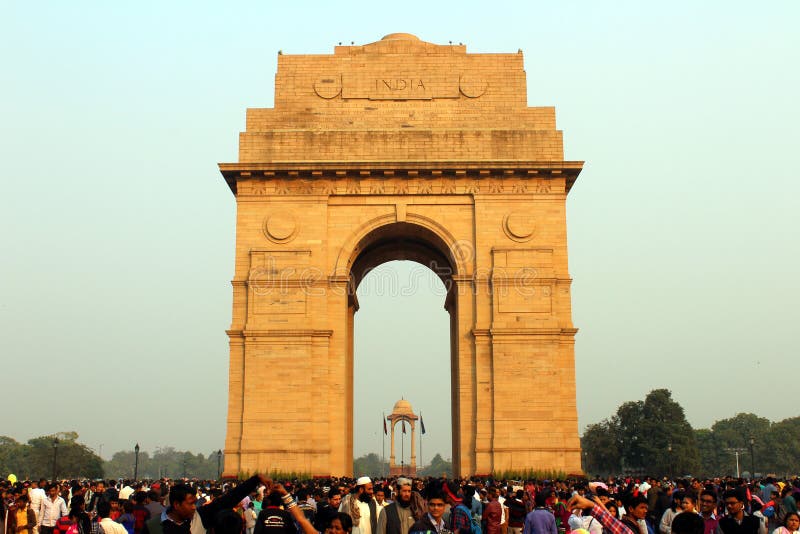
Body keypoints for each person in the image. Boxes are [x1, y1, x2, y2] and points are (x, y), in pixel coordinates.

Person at [144, 475, 265, 534]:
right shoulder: (152, 527)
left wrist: (256, 479)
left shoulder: (200, 516)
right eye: (191, 504)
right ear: (176, 504)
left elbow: (229, 499)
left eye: (195, 503)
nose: (193, 507)